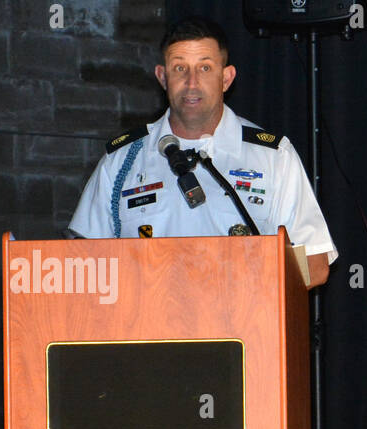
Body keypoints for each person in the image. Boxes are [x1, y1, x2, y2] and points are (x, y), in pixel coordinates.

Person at [69, 16, 336, 286]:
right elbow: (83, 263)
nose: (192, 82)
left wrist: (247, 288)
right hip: (146, 323)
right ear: (162, 77)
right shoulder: (122, 159)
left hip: (241, 323)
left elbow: (315, 264)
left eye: (205, 68)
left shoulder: (272, 156)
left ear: (226, 78)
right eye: (179, 68)